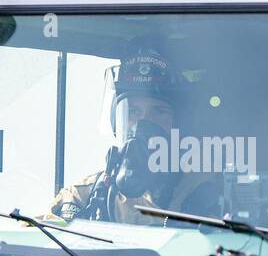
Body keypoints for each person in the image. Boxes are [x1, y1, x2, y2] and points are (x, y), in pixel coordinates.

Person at [47, 47, 220, 225]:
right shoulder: (86, 195)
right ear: (117, 121)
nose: (143, 124)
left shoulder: (211, 194)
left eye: (159, 111)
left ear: (181, 124)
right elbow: (37, 242)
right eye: (133, 111)